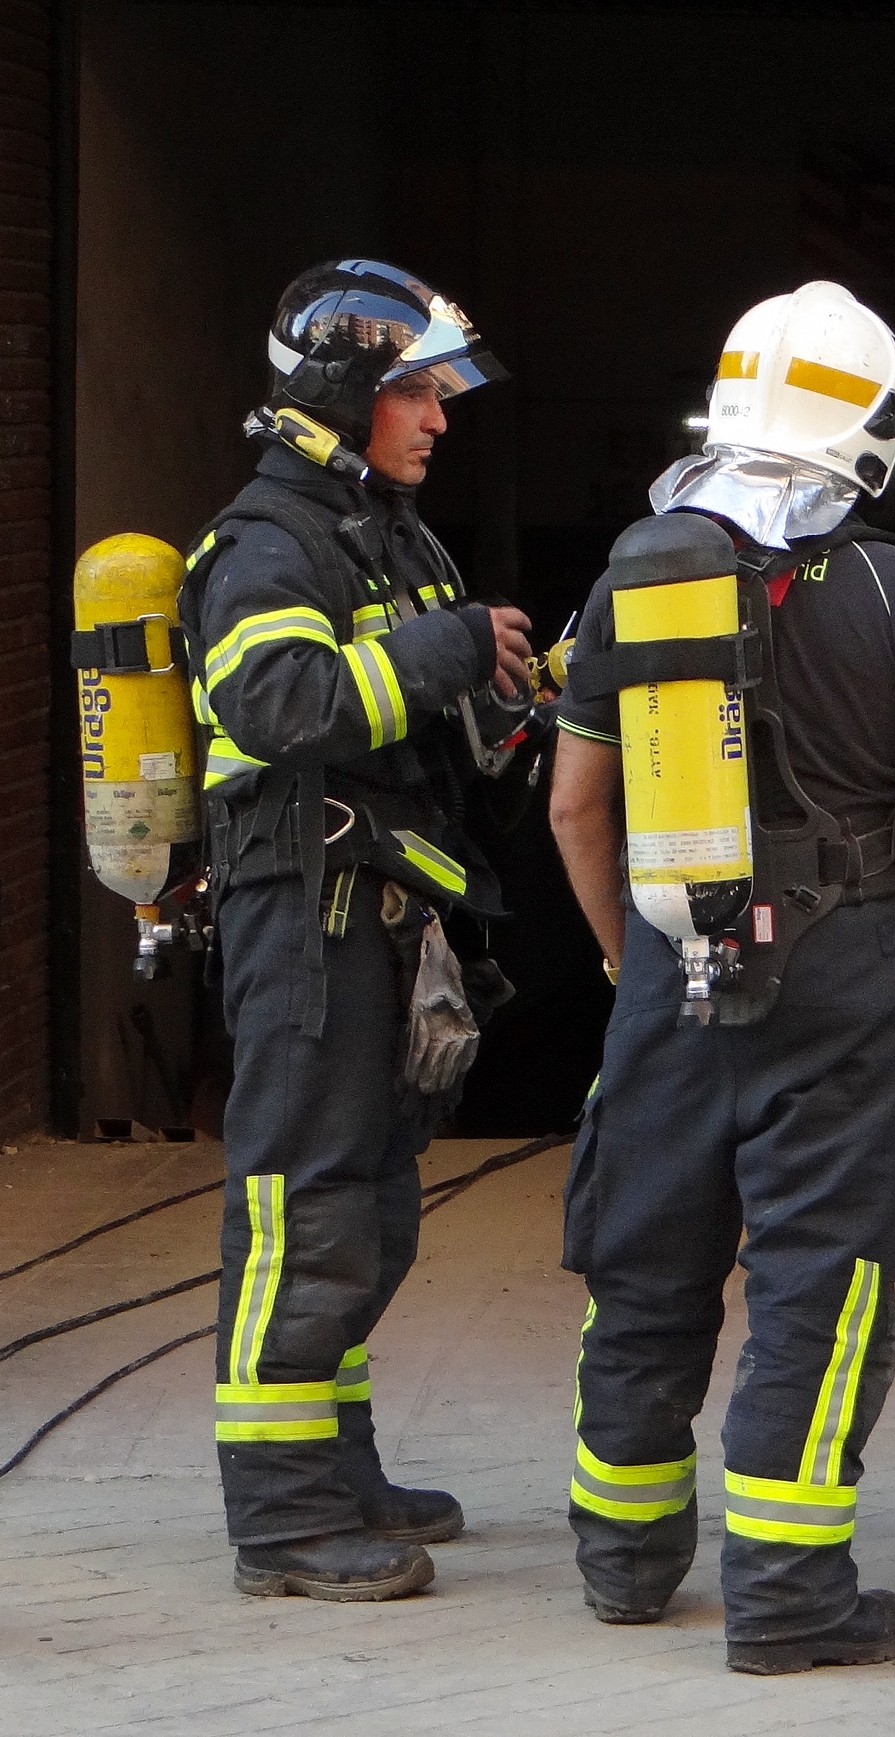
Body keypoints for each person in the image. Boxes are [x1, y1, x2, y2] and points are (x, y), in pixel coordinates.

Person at [549, 280, 895, 1673]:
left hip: (669, 959)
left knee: (644, 1259)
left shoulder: (636, 571)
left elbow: (578, 806)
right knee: (820, 1275)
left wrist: (630, 958)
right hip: (850, 968)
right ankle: (793, 1599)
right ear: (862, 425)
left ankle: (627, 1564)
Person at [180, 259, 533, 1602]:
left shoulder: (381, 532)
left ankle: (340, 1467)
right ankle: (280, 1520)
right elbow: (280, 699)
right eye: (415, 389)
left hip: (377, 920)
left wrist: (512, 688)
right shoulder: (269, 539)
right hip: (306, 915)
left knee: (369, 1208)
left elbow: (426, 714)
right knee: (302, 1207)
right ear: (338, 391)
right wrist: (442, 653)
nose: (439, 415)